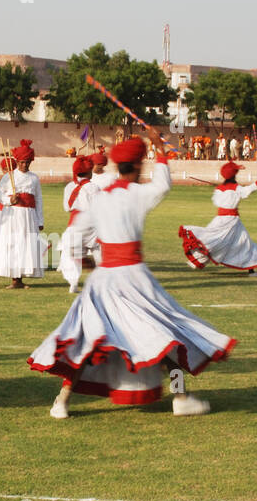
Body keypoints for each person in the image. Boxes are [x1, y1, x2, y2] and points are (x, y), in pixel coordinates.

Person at [28, 131, 233, 418]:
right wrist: (160, 149)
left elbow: (74, 236)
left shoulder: (98, 199)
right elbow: (163, 185)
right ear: (137, 166)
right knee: (167, 336)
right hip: (134, 278)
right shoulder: (138, 194)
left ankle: (62, 401)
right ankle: (181, 397)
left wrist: (85, 259)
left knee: (90, 340)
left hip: (103, 280)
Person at [178, 160, 257, 274]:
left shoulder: (219, 189)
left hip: (220, 219)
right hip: (231, 220)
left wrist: (225, 192)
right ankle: (251, 271)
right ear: (234, 175)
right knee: (240, 242)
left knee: (216, 240)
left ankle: (198, 259)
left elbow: (216, 201)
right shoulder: (236, 188)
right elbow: (246, 192)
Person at [0, 139, 44, 289]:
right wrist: (9, 199)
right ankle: (14, 279)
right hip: (13, 215)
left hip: (29, 215)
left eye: (27, 162)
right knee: (14, 244)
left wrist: (40, 220)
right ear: (17, 161)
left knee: (26, 244)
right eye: (21, 162)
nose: (24, 165)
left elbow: (39, 199)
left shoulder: (34, 178)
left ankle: (21, 279)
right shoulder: (9, 177)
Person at [58, 155, 99, 294]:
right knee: (99, 250)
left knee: (72, 253)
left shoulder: (69, 186)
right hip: (91, 223)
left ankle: (73, 282)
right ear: (89, 172)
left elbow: (66, 207)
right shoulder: (93, 187)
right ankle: (100, 277)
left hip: (74, 224)